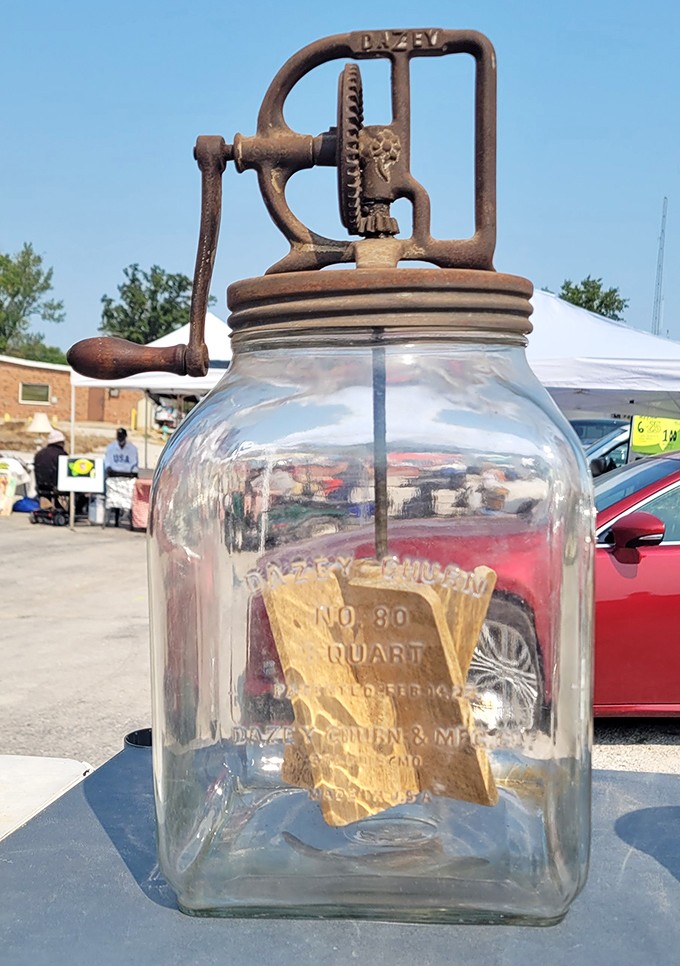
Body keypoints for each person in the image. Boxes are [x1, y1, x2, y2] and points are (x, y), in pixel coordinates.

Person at [33, 429, 67, 497]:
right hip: (56, 488)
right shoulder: (62, 455)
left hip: (40, 487)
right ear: (61, 442)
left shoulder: (39, 454)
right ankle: (76, 507)